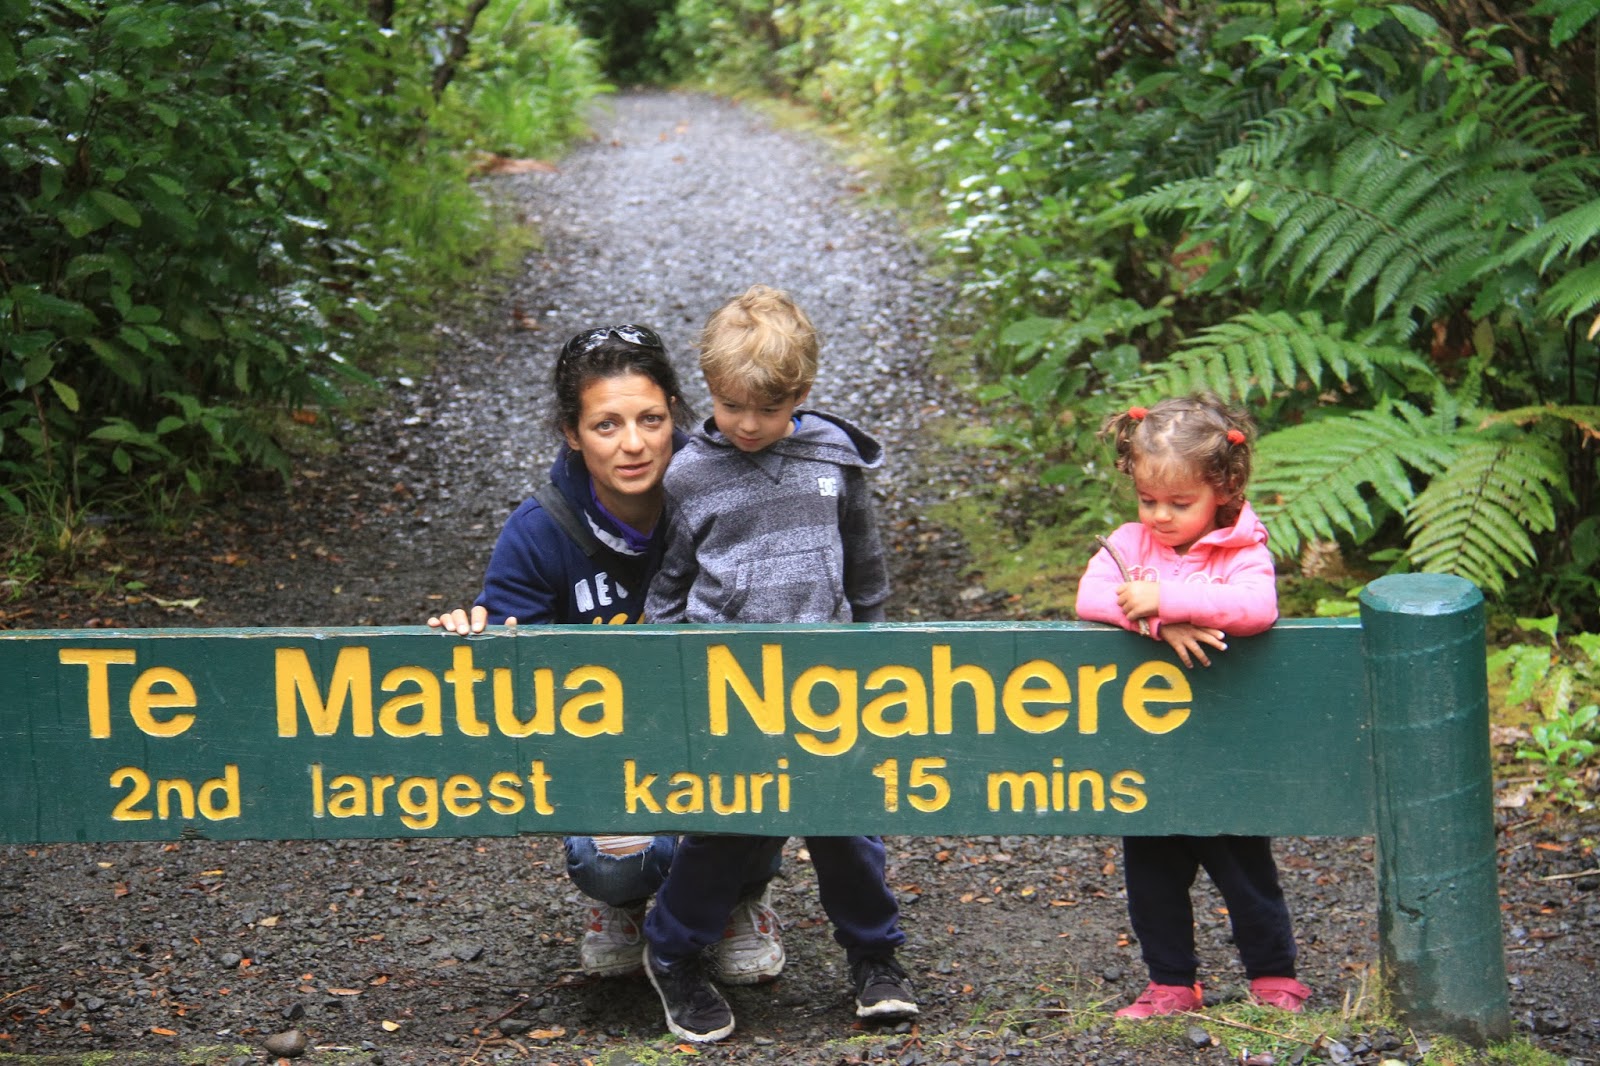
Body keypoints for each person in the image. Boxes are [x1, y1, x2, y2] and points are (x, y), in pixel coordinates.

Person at [428, 324, 784, 984]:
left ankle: (740, 897)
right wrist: (471, 634)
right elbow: (511, 676)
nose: (633, 444)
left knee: (761, 762)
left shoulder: (728, 494)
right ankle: (622, 903)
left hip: (726, 738)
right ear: (571, 432)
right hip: (610, 755)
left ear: (675, 412)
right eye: (606, 425)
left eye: (650, 419)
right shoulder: (541, 530)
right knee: (613, 856)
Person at [638, 284, 918, 1043]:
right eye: (732, 407)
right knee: (727, 826)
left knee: (845, 826)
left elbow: (864, 566)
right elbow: (670, 580)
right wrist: (663, 675)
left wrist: (875, 651)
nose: (750, 424)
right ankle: (673, 951)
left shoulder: (833, 461)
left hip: (825, 680)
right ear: (711, 395)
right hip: (727, 683)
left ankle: (876, 960)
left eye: (769, 408)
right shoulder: (690, 474)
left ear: (802, 393)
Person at [1074, 393, 1311, 1018]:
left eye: (1180, 504)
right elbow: (1093, 599)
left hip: (1226, 744)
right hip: (1149, 748)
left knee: (1245, 871)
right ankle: (1172, 982)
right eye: (1149, 500)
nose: (1160, 516)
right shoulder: (1130, 543)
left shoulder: (1242, 548)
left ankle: (1273, 975)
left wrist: (1168, 600)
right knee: (1151, 874)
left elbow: (1257, 610)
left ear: (1224, 489)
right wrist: (1157, 625)